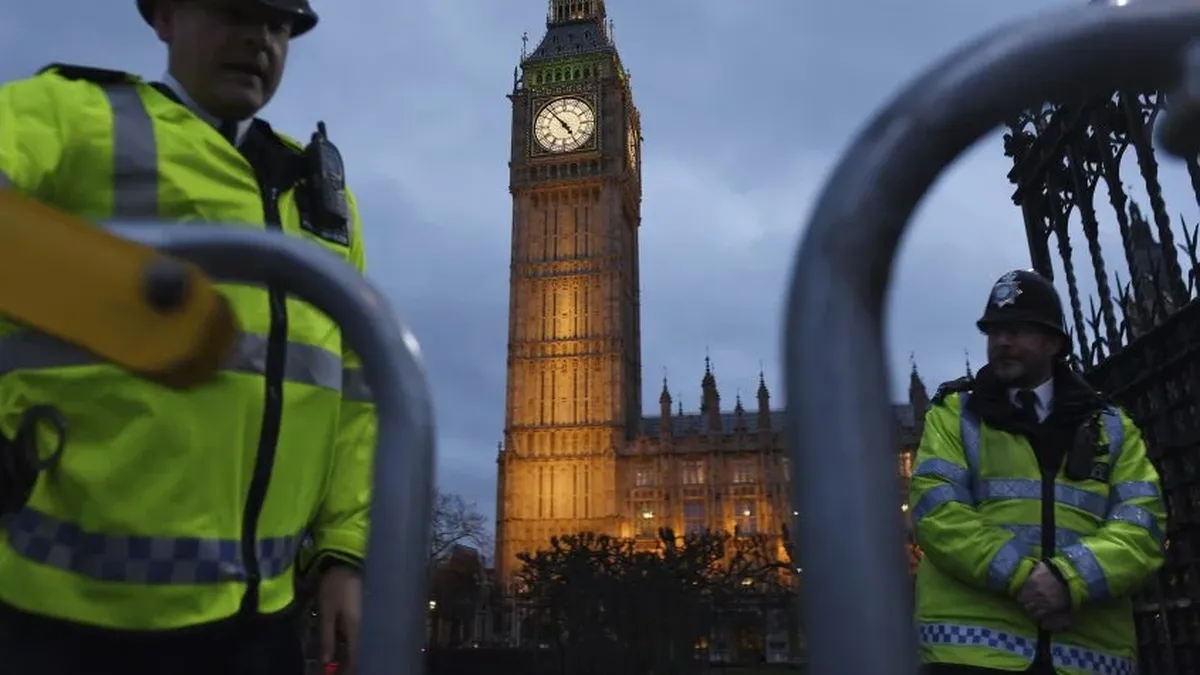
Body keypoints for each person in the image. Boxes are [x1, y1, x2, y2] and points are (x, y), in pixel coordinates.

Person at [0, 1, 375, 673]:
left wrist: (346, 553)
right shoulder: (68, 118)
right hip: (68, 625)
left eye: (278, 24)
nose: (258, 39)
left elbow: (355, 392)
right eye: (234, 12)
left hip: (263, 628)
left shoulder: (323, 202)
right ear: (165, 15)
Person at [909, 269, 1166, 675]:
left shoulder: (1111, 426)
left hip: (1087, 655)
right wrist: (1024, 577)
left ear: (1053, 343)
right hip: (973, 652)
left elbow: (1143, 526)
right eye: (994, 332)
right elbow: (939, 513)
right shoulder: (954, 416)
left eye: (1017, 331)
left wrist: (1067, 580)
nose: (1002, 343)